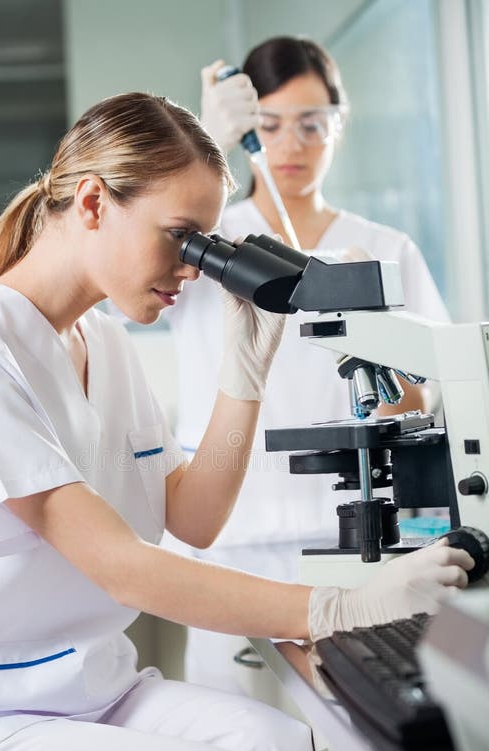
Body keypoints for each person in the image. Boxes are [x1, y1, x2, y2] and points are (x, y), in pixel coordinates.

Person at [0, 92, 471, 751]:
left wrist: (243, 377)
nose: (194, 267)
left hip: (93, 693)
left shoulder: (103, 343)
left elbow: (194, 516)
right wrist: (337, 609)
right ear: (93, 203)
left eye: (204, 243)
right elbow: (122, 568)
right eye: (180, 236)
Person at [165, 36, 451, 697]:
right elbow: (112, 294)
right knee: (241, 743)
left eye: (312, 125)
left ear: (338, 126)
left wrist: (383, 346)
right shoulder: (204, 237)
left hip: (357, 545)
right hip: (227, 547)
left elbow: (424, 399)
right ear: (244, 130)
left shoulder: (384, 248)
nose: (291, 145)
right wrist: (198, 148)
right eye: (268, 125)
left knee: (355, 737)